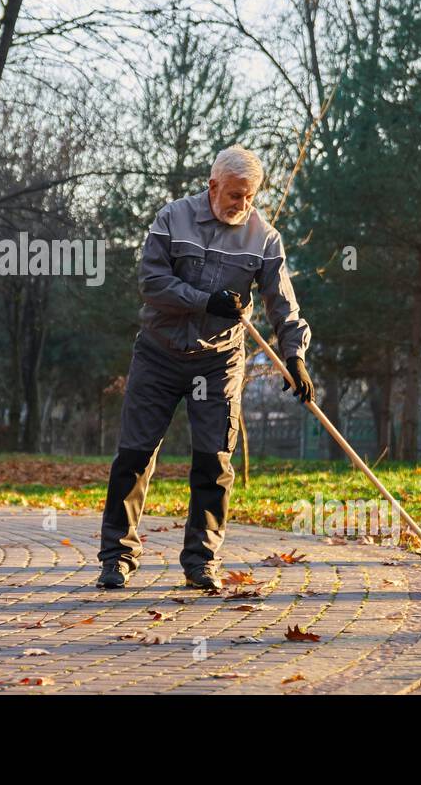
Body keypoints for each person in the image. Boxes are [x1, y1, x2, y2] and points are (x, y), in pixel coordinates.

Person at [96, 145, 313, 589]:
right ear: (213, 186)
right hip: (158, 354)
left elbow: (282, 303)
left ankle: (202, 562)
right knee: (135, 455)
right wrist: (204, 300)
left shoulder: (264, 238)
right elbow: (151, 283)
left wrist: (295, 356)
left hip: (218, 361)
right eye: (235, 195)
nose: (243, 205)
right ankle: (116, 558)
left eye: (250, 196)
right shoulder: (172, 219)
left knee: (214, 460)